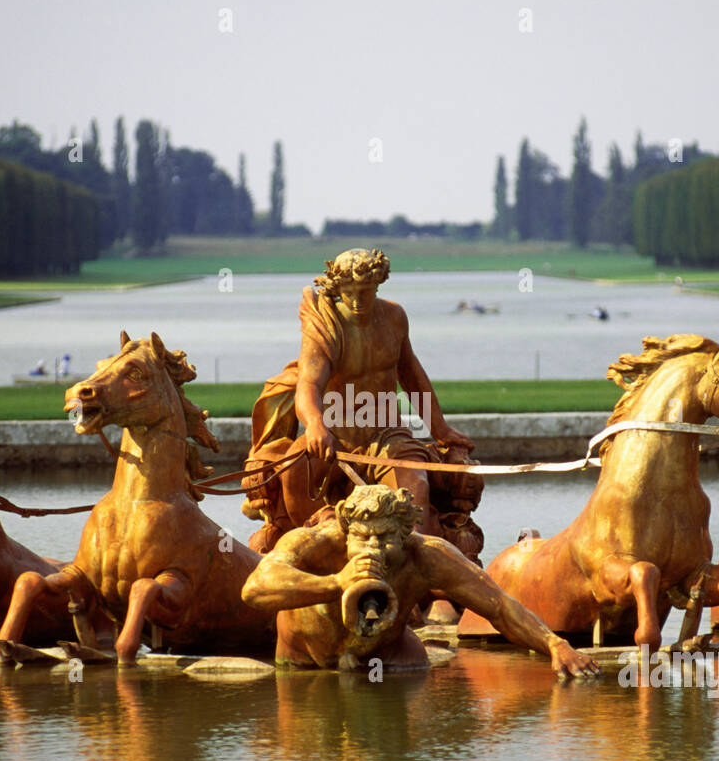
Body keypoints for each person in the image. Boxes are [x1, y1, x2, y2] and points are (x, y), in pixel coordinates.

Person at [241, 249, 483, 560]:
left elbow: (412, 375)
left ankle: (420, 566)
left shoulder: (394, 318)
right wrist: (315, 424)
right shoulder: (326, 326)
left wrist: (439, 428)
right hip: (333, 438)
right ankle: (319, 555)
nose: (357, 300)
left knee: (415, 486)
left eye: (365, 292)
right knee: (294, 471)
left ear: (378, 285)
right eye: (350, 293)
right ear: (338, 289)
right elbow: (309, 386)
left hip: (386, 435)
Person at [242, 485, 598, 678]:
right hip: (304, 658)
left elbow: (500, 606)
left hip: (382, 655)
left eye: (385, 539)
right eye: (363, 538)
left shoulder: (428, 555)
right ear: (346, 531)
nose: (373, 549)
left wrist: (554, 644)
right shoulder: (319, 542)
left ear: (406, 534)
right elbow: (255, 588)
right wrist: (336, 582)